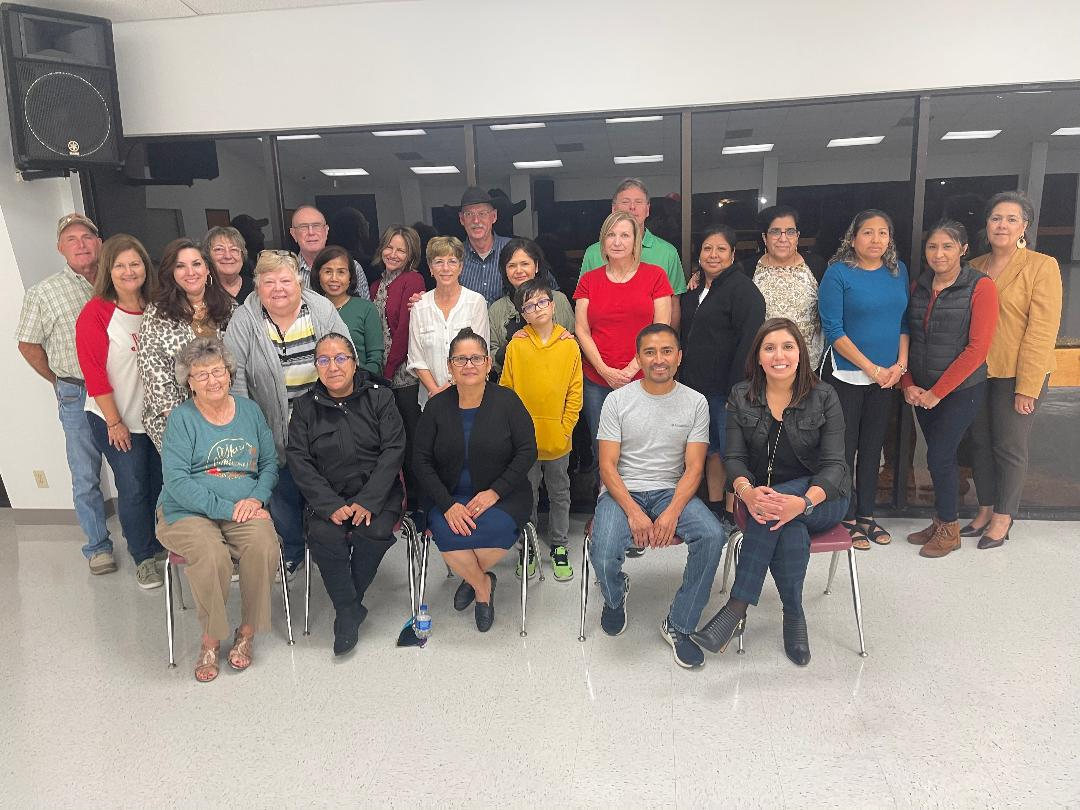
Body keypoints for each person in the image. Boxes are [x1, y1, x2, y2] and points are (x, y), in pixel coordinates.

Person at [693, 318, 850, 667]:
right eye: (770, 348)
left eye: (788, 347)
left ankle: (736, 607)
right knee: (787, 528)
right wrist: (747, 493)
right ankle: (793, 613)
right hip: (760, 499)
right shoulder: (741, 395)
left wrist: (803, 502)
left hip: (824, 498)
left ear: (801, 353)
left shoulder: (824, 396)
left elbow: (835, 466)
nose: (779, 356)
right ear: (758, 357)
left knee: (775, 510)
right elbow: (734, 458)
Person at [588, 324, 724, 669]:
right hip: (623, 490)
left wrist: (672, 512)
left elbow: (694, 468)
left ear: (679, 357)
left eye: (666, 351)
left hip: (670, 490)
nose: (658, 359)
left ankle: (679, 623)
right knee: (602, 549)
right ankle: (615, 596)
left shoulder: (695, 402)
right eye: (649, 352)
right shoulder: (618, 400)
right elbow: (607, 467)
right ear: (639, 358)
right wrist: (634, 512)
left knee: (712, 535)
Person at [157, 337, 281, 682]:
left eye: (218, 371)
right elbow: (176, 482)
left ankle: (247, 632)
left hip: (244, 507)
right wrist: (228, 508)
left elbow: (269, 463)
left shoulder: (250, 411)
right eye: (202, 375)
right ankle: (211, 639)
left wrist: (256, 499)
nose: (212, 380)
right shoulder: (182, 420)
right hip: (187, 511)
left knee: (264, 545)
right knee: (211, 554)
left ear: (229, 373)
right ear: (190, 382)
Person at [223, 249, 349, 578]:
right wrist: (248, 428)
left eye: (285, 280)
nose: (278, 288)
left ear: (299, 282)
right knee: (283, 492)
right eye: (269, 282)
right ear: (257, 286)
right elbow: (234, 377)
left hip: (323, 422)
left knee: (325, 486)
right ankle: (293, 549)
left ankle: (328, 546)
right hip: (270, 425)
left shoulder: (320, 309)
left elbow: (346, 356)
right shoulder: (245, 319)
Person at [287, 333, 406, 655]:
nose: (333, 367)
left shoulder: (380, 397)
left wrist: (368, 500)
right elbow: (299, 460)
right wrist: (329, 505)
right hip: (327, 497)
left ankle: (346, 613)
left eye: (341, 358)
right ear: (316, 367)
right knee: (325, 536)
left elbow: (394, 449)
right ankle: (350, 610)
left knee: (374, 531)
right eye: (324, 360)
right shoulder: (305, 407)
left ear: (354, 364)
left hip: (377, 493)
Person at [413, 328, 537, 632]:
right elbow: (421, 460)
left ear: (488, 363)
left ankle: (471, 577)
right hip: (448, 496)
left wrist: (495, 492)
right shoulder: (436, 406)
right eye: (460, 359)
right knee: (449, 532)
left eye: (476, 358)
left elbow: (527, 451)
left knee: (494, 530)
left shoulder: (507, 401)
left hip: (503, 497)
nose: (469, 365)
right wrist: (447, 504)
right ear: (450, 366)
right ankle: (483, 586)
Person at [15, 214, 115, 573]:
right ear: (60, 248)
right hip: (77, 392)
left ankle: (147, 540)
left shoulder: (117, 281)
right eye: (71, 239)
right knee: (85, 474)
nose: (81, 244)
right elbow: (28, 344)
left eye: (87, 236)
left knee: (135, 468)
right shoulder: (43, 293)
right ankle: (98, 547)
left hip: (121, 389)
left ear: (99, 243)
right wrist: (58, 381)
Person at [965, 191, 1063, 548]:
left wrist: (1028, 387)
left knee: (1009, 446)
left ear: (1024, 226)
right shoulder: (972, 267)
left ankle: (1004, 517)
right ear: (986, 224)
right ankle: (985, 508)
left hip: (1018, 373)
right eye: (996, 218)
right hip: (977, 372)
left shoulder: (1041, 266)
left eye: (1011, 219)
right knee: (979, 443)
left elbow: (1042, 330)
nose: (1002, 225)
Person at [902, 221, 998, 557]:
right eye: (932, 247)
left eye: (947, 246)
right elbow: (908, 337)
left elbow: (977, 349)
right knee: (940, 456)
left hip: (960, 390)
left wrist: (938, 392)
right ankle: (941, 520)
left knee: (939, 456)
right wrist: (908, 384)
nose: (939, 254)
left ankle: (949, 528)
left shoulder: (980, 286)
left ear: (963, 249)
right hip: (922, 389)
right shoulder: (918, 286)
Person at [75, 234, 165, 589]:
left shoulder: (156, 306)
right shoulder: (97, 312)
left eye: (135, 263)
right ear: (107, 271)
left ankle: (157, 542)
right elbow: (94, 374)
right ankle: (143, 557)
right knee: (133, 487)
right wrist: (114, 422)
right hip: (115, 418)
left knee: (159, 483)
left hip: (154, 419)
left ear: (145, 266)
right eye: (120, 265)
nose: (129, 271)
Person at [819, 210, 909, 550]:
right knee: (844, 450)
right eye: (868, 232)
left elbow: (903, 324)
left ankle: (867, 514)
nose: (876, 239)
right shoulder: (838, 273)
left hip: (886, 378)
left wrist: (899, 366)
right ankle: (845, 516)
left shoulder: (897, 271)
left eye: (883, 233)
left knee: (873, 448)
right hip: (846, 374)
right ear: (853, 238)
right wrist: (872, 369)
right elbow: (834, 330)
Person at [574, 211, 672, 507]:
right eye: (611, 235)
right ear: (602, 241)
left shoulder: (655, 276)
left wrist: (631, 369)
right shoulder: (589, 280)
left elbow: (660, 329)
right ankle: (608, 510)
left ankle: (642, 509)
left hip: (643, 379)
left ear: (635, 241)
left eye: (625, 235)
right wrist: (605, 370)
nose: (617, 242)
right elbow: (582, 330)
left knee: (642, 447)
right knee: (603, 450)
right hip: (597, 381)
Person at [679, 224, 765, 534]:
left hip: (726, 391)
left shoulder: (743, 291)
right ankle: (716, 507)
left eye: (721, 249)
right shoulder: (696, 289)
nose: (713, 255)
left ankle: (733, 514)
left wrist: (736, 391)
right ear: (698, 253)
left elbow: (748, 344)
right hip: (695, 389)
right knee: (710, 450)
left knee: (732, 453)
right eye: (707, 248)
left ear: (732, 254)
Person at [499, 279, 583, 581]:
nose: (537, 309)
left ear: (553, 304)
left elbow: (575, 392)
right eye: (529, 306)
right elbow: (506, 390)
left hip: (558, 438)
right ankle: (529, 546)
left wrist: (565, 428)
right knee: (527, 494)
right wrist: (513, 432)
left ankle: (559, 545)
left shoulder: (569, 345)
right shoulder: (517, 345)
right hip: (524, 441)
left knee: (560, 493)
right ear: (523, 314)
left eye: (542, 302)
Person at [138, 238, 235, 451]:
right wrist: (185, 425)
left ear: (207, 269)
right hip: (178, 422)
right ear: (171, 273)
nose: (190, 272)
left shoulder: (228, 307)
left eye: (196, 264)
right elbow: (154, 374)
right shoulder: (158, 313)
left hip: (227, 417)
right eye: (180, 266)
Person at [370, 225, 427, 511]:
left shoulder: (412, 280)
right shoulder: (375, 285)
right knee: (387, 442)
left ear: (411, 255)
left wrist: (388, 371)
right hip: (381, 376)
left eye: (401, 250)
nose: (393, 254)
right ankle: (397, 503)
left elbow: (405, 331)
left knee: (411, 440)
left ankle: (420, 504)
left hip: (403, 377)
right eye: (389, 247)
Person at [578, 178, 686, 328]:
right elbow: (584, 307)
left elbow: (674, 305)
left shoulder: (668, 252)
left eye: (638, 202)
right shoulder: (593, 253)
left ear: (648, 209)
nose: (632, 207)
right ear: (614, 209)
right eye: (625, 202)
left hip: (651, 340)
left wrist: (669, 340)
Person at [407, 236, 490, 410]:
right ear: (430, 268)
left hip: (471, 397)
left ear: (461, 267)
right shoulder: (419, 306)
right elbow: (416, 359)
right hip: (431, 400)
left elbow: (480, 353)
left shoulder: (476, 302)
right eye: (439, 262)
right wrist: (436, 392)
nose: (445, 268)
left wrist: (450, 388)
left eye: (452, 261)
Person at [487, 237, 575, 377]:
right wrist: (510, 347)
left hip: (557, 381)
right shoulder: (497, 309)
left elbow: (575, 342)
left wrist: (569, 339)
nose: (519, 270)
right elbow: (491, 356)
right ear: (505, 271)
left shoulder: (558, 300)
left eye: (525, 264)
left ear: (537, 266)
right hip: (512, 385)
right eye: (512, 265)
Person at [751, 205, 825, 367]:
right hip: (765, 366)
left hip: (808, 366)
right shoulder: (748, 269)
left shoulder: (817, 266)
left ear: (797, 236)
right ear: (764, 237)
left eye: (790, 232)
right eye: (775, 232)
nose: (783, 238)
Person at [309, 245, 384, 377]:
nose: (334, 278)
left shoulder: (366, 309)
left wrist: (353, 380)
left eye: (341, 272)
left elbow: (375, 361)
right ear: (318, 275)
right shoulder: (309, 309)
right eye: (328, 272)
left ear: (350, 277)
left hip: (360, 383)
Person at [289, 205, 370, 299]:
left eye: (316, 226)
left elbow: (364, 306)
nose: (311, 232)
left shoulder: (353, 267)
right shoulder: (286, 270)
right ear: (293, 234)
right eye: (303, 227)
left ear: (326, 231)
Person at [456, 186, 513, 305]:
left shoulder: (514, 250)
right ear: (461, 219)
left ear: (494, 216)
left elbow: (545, 286)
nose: (476, 220)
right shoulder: (453, 255)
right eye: (469, 214)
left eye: (482, 213)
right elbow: (442, 295)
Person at [205, 225, 254, 303]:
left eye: (234, 249)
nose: (228, 256)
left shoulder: (257, 288)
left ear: (242, 256)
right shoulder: (203, 291)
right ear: (208, 256)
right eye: (219, 249)